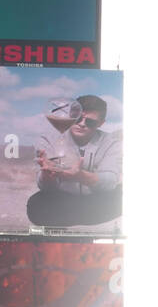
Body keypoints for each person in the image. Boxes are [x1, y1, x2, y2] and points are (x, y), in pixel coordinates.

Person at [27, 93, 123, 228]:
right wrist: (47, 176)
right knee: (35, 204)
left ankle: (70, 219)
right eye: (77, 119)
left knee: (121, 195)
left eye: (90, 122)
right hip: (64, 199)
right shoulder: (48, 140)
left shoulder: (111, 143)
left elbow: (110, 181)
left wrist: (81, 176)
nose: (82, 124)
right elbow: (45, 187)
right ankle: (89, 218)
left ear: (101, 123)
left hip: (95, 198)